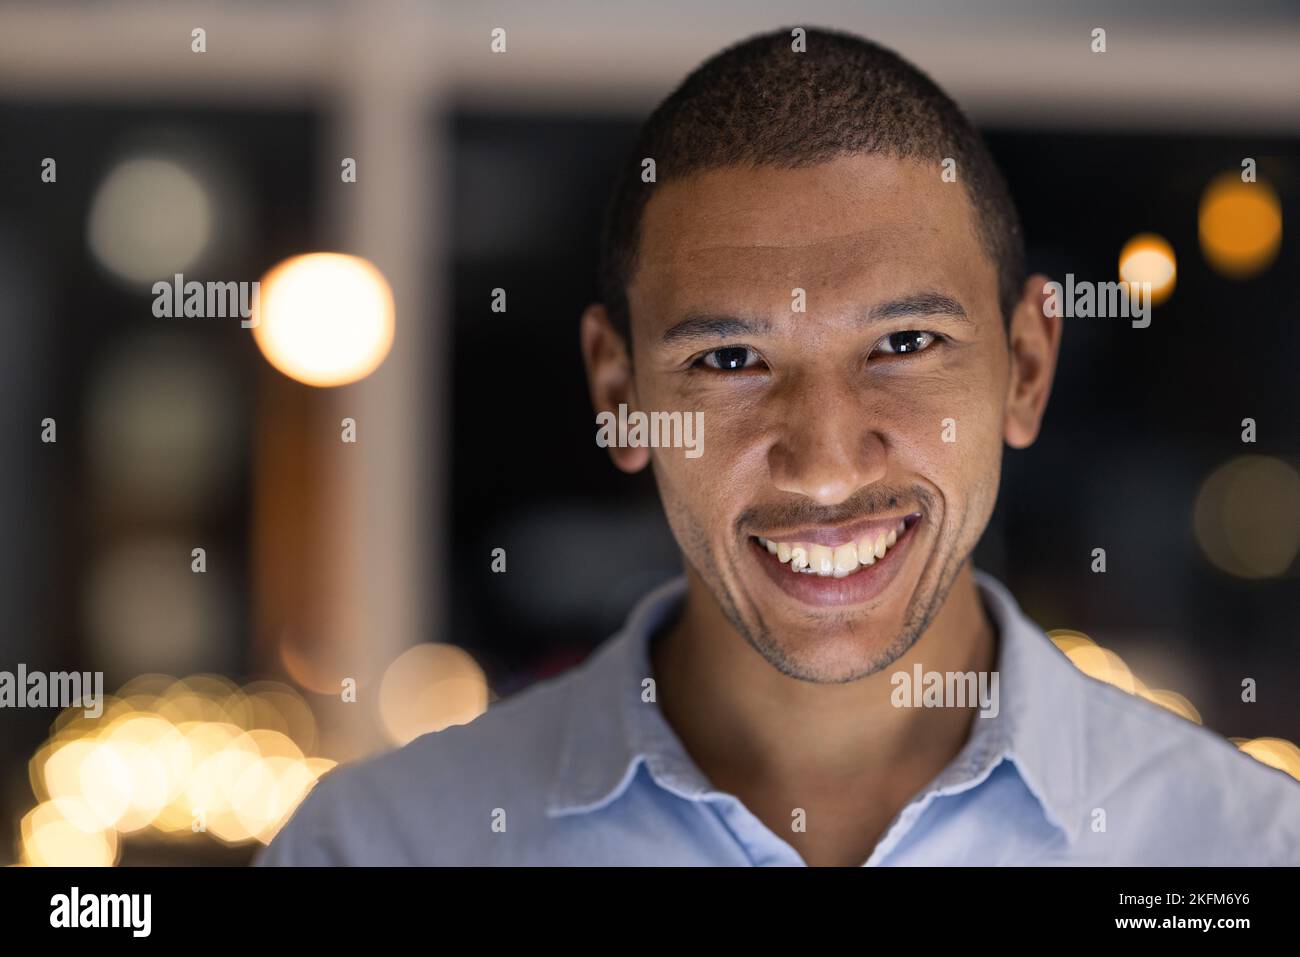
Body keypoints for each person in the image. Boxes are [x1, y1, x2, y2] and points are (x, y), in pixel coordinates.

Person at [259, 26, 1299, 866]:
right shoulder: (374, 849)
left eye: (903, 344)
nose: (827, 463)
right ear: (619, 395)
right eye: (728, 360)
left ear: (1025, 369)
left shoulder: (1245, 853)